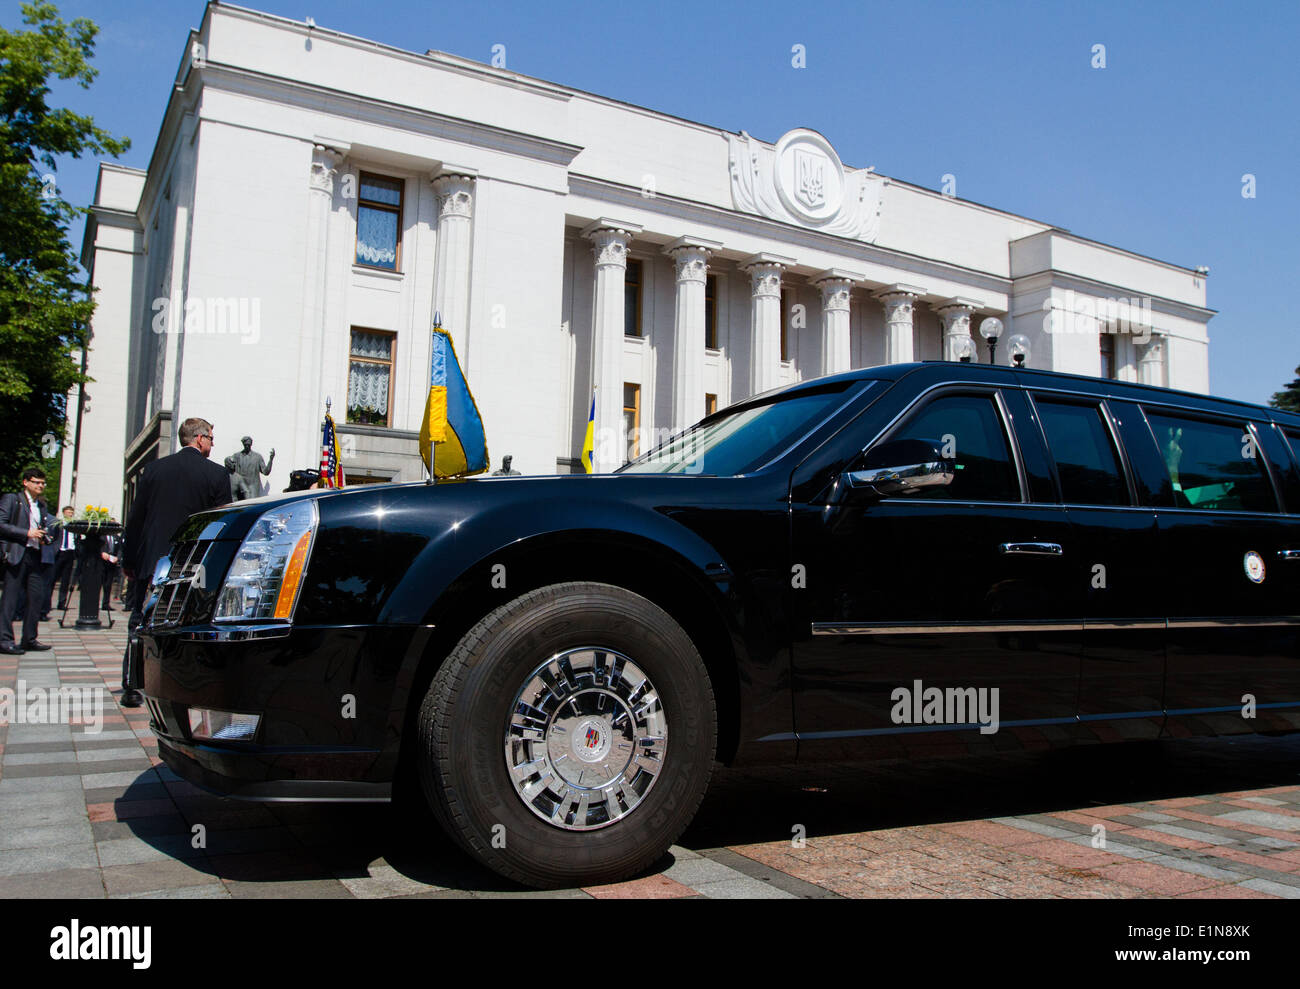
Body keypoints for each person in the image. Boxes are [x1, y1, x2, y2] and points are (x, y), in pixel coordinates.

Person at [120, 417, 231, 705]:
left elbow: (136, 519)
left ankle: (132, 686)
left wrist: (129, 560)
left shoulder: (154, 470)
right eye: (210, 438)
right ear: (199, 439)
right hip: (195, 566)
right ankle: (186, 684)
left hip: (153, 561)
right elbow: (221, 524)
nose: (212, 443)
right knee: (190, 619)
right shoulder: (216, 475)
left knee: (140, 620)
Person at [0, 467, 56, 654]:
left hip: (35, 554)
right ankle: (4, 639)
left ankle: (29, 638)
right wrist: (27, 533)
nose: (40, 486)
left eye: (42, 483)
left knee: (36, 597)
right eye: (36, 482)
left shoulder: (41, 506)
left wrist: (41, 536)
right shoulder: (12, 499)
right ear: (26, 482)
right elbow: (1, 524)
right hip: (17, 553)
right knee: (10, 598)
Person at [45, 505, 78, 616]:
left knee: (65, 580)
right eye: (68, 512)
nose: (70, 514)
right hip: (60, 552)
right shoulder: (58, 524)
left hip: (70, 552)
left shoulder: (74, 526)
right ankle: (47, 603)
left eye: (71, 512)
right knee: (52, 578)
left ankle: (62, 603)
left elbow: (76, 539)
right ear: (64, 513)